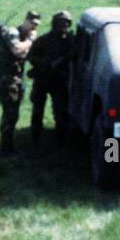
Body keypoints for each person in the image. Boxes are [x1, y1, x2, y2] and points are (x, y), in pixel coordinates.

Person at [0, 11, 40, 153]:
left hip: (16, 79)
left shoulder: (24, 36)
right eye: (32, 23)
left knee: (13, 113)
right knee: (9, 113)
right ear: (26, 21)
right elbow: (17, 50)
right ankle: (6, 149)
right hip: (7, 80)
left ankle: (7, 145)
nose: (34, 27)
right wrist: (31, 41)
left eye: (36, 25)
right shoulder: (13, 32)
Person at [27, 10, 76, 146]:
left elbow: (75, 56)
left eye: (66, 24)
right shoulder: (44, 40)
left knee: (61, 113)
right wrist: (45, 64)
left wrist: (61, 63)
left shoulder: (71, 42)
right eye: (61, 23)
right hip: (42, 79)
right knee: (38, 110)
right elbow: (31, 57)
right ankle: (35, 139)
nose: (63, 26)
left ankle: (61, 141)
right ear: (54, 24)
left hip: (59, 81)